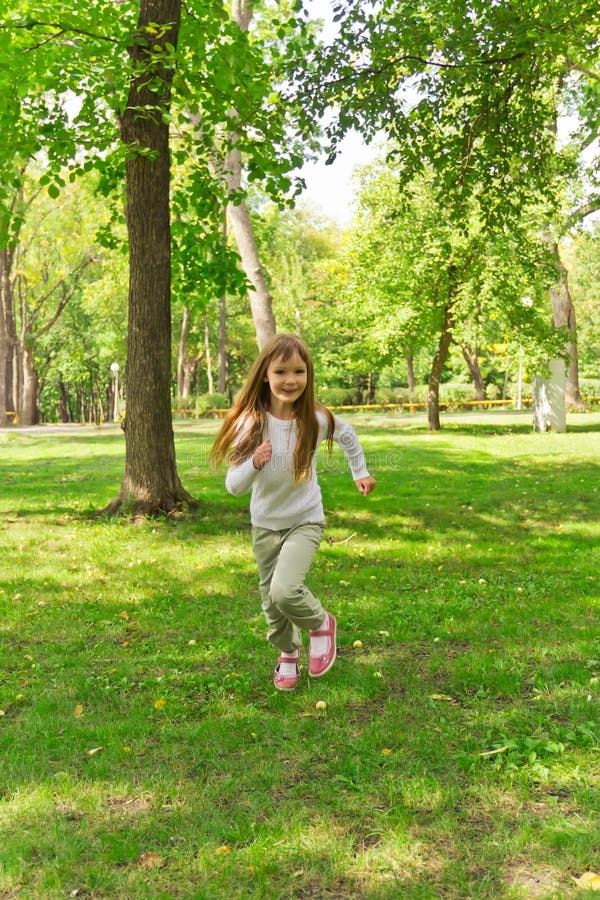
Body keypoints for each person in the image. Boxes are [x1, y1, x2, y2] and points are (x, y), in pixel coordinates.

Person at [209, 334, 376, 691]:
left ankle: (320, 624)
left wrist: (359, 471)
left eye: (299, 371)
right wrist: (254, 462)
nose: (290, 380)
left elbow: (348, 436)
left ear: (308, 375)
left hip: (305, 518)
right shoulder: (250, 424)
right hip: (265, 525)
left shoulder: (315, 419)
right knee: (271, 603)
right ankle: (287, 653)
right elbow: (234, 487)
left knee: (285, 590)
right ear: (265, 375)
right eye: (281, 371)